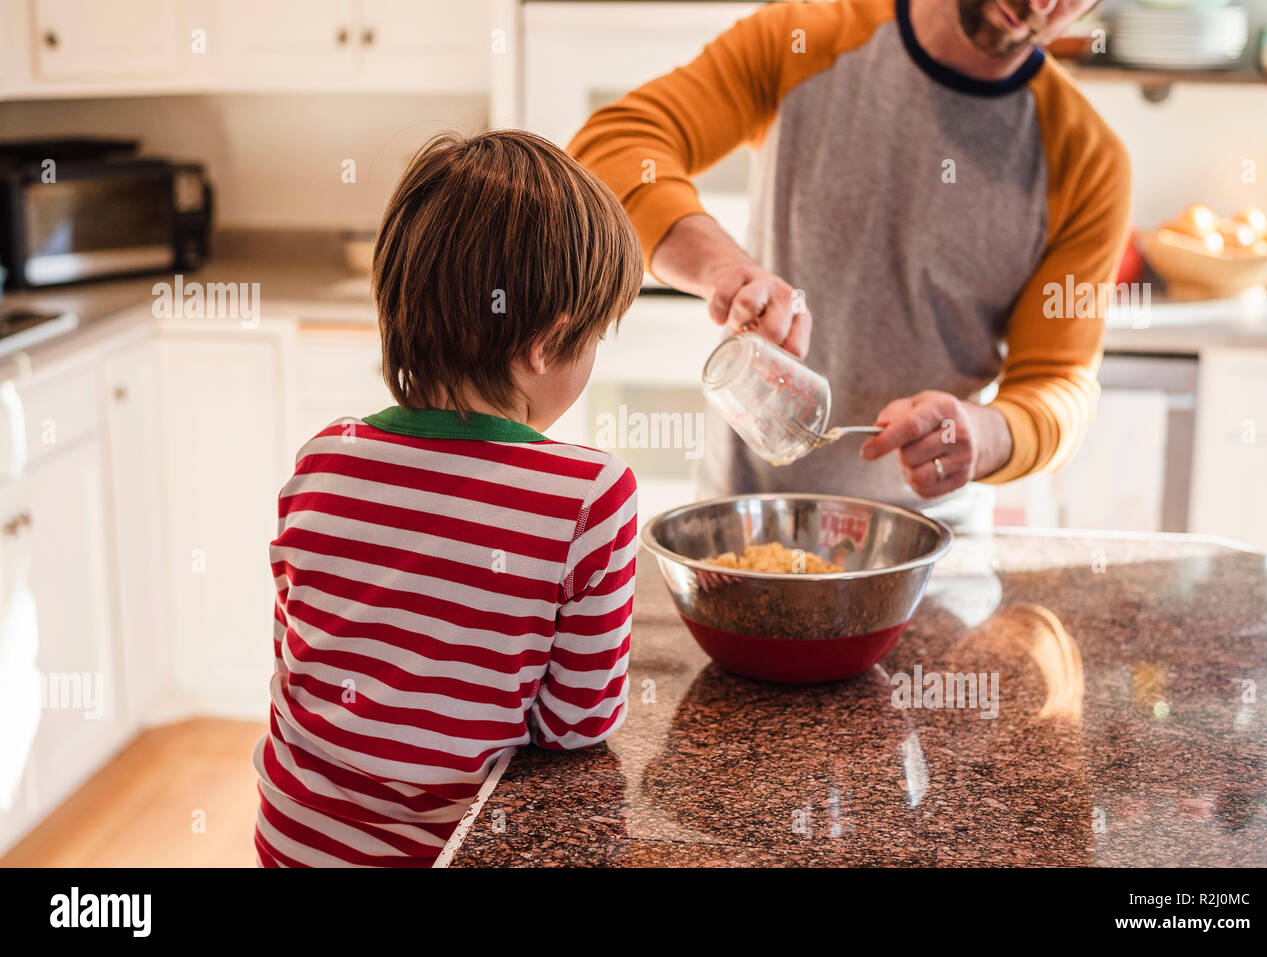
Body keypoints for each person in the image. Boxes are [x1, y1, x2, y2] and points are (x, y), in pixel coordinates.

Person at [570, 0, 1129, 530]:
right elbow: (614, 148)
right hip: (742, 525)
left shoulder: (1087, 161)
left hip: (926, 544)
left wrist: (987, 434)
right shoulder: (806, 38)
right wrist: (723, 271)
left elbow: (1059, 381)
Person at [252, 130, 643, 867]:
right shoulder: (590, 497)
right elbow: (576, 724)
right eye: (596, 335)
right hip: (445, 852)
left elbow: (299, 659)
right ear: (549, 343)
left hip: (295, 839)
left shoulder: (324, 459)